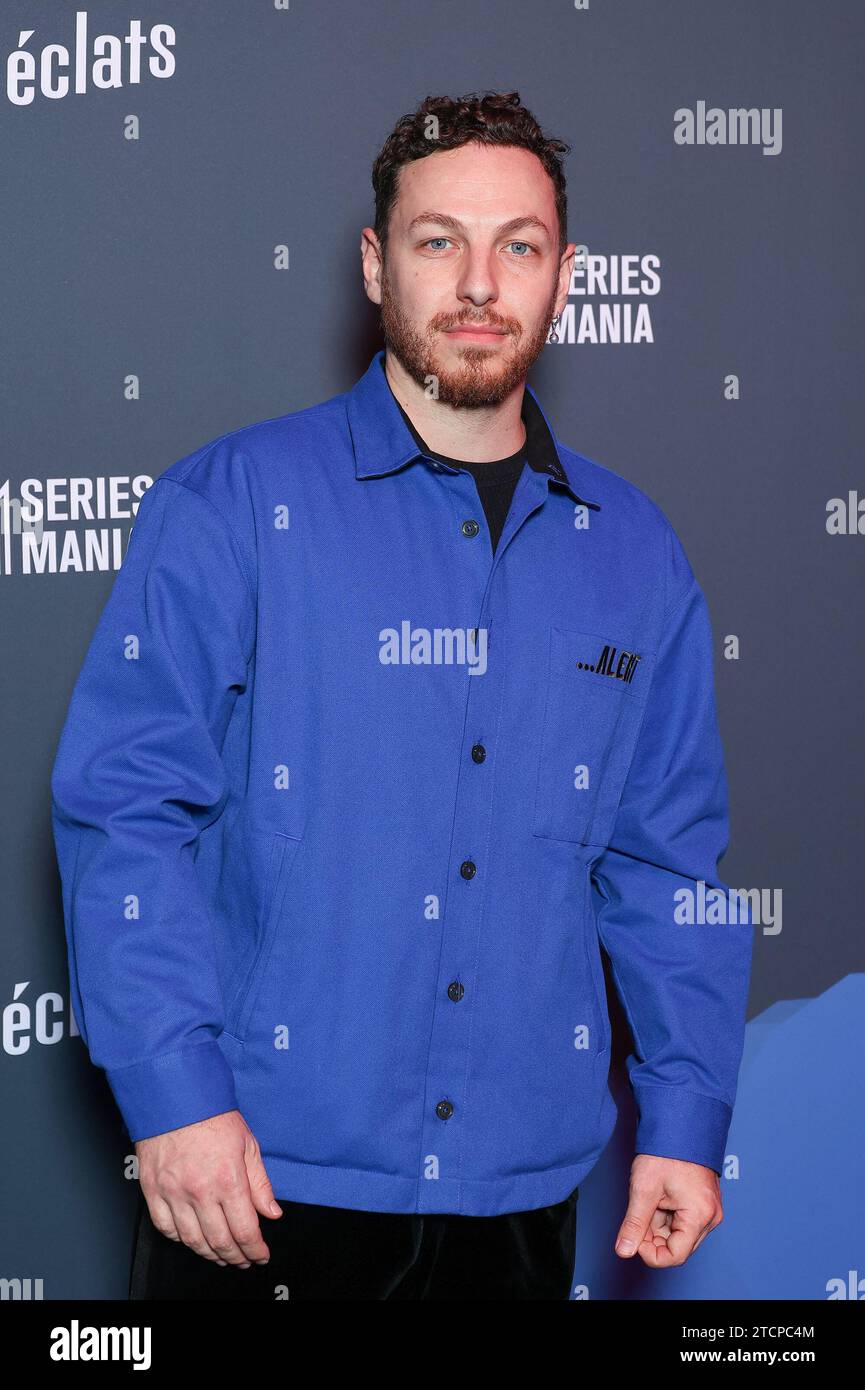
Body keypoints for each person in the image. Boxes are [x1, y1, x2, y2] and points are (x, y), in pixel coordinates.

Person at [50, 90, 753, 1301]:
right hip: (256, 1186)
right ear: (378, 265)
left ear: (564, 275)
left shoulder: (637, 554)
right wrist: (174, 1097)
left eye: (518, 246)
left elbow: (664, 867)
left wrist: (685, 1112)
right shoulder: (232, 504)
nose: (480, 282)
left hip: (520, 1202)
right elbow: (126, 812)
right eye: (439, 241)